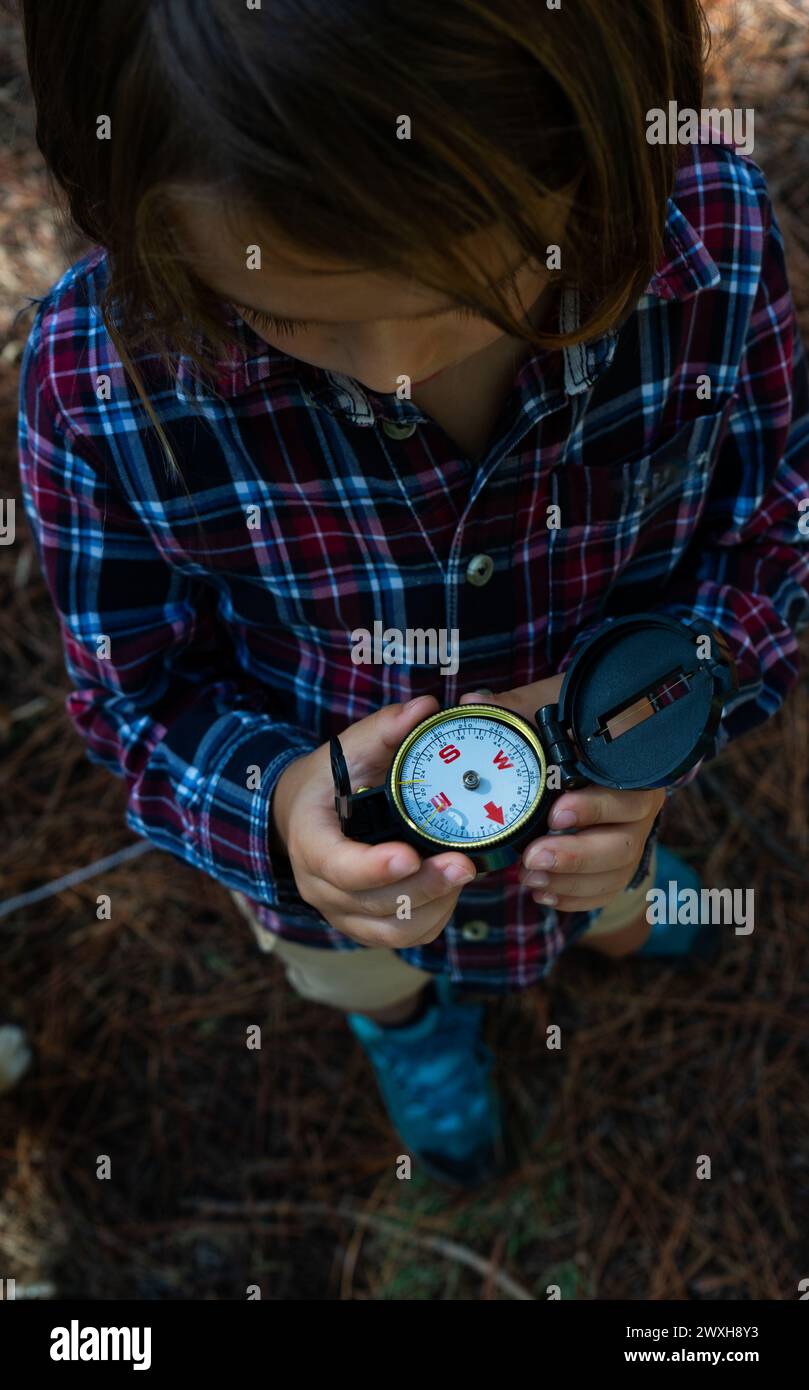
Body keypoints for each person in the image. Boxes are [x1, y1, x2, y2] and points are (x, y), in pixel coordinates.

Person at [16, 0, 809, 1187]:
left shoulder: (706, 254)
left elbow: (776, 533)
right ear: (137, 219)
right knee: (362, 969)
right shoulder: (104, 389)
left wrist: (675, 691)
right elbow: (133, 699)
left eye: (468, 288)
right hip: (329, 886)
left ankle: (623, 913)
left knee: (609, 883)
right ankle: (410, 1033)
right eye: (288, 316)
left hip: (608, 802)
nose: (392, 366)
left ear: (594, 154)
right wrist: (280, 807)